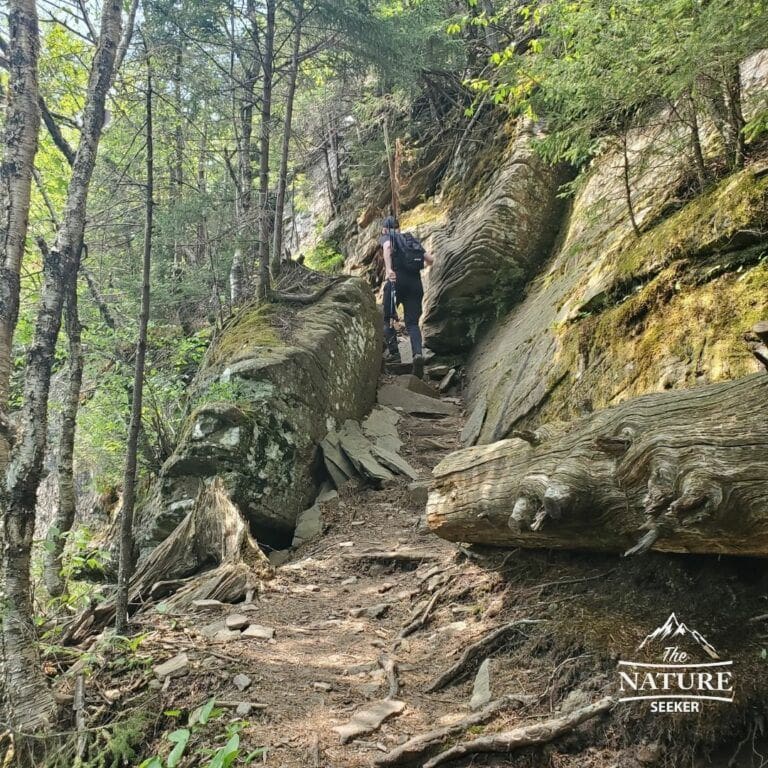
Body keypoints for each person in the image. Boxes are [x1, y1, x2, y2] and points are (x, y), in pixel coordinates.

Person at [380, 216, 434, 379]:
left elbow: (387, 248)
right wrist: (418, 267)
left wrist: (389, 270)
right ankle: (417, 354)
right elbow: (431, 260)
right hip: (415, 284)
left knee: (388, 318)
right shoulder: (410, 239)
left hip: (396, 282)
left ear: (384, 229)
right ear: (399, 227)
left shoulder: (387, 238)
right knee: (412, 323)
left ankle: (395, 355)